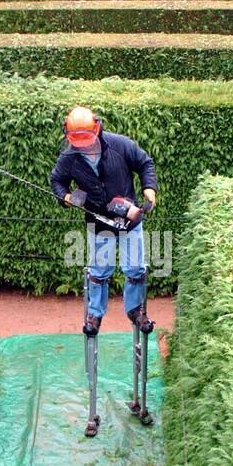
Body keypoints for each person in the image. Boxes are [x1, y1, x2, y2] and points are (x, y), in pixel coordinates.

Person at [49, 106, 158, 337]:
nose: (84, 145)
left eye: (86, 139)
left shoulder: (120, 145)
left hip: (129, 221)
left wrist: (149, 190)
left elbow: (145, 163)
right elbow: (57, 180)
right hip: (98, 224)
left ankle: (135, 310)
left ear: (97, 128)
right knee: (99, 272)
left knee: (136, 269)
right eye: (77, 141)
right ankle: (95, 313)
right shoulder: (69, 158)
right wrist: (66, 197)